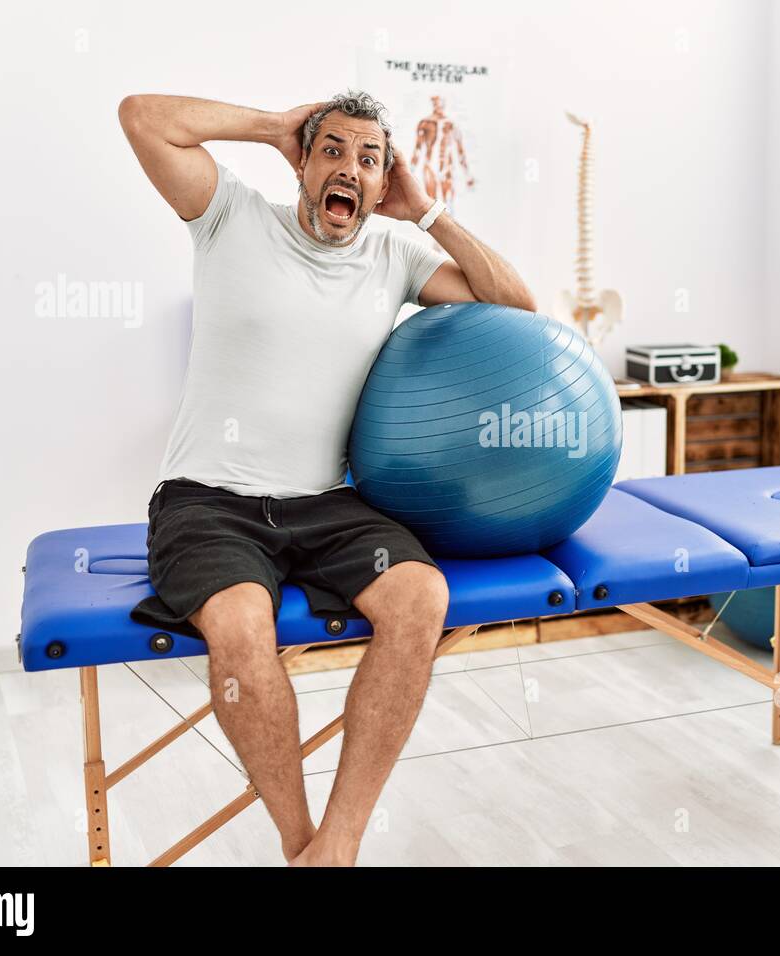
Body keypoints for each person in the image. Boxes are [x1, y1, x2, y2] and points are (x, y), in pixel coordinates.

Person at [117, 89, 536, 866]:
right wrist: (274, 126)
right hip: (208, 502)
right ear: (304, 165)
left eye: (369, 159)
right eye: (332, 150)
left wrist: (427, 213)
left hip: (329, 505)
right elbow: (141, 115)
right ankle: (298, 843)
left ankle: (336, 846)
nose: (348, 168)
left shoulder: (396, 252)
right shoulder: (230, 218)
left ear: (382, 186)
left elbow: (517, 307)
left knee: (421, 599)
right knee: (241, 627)